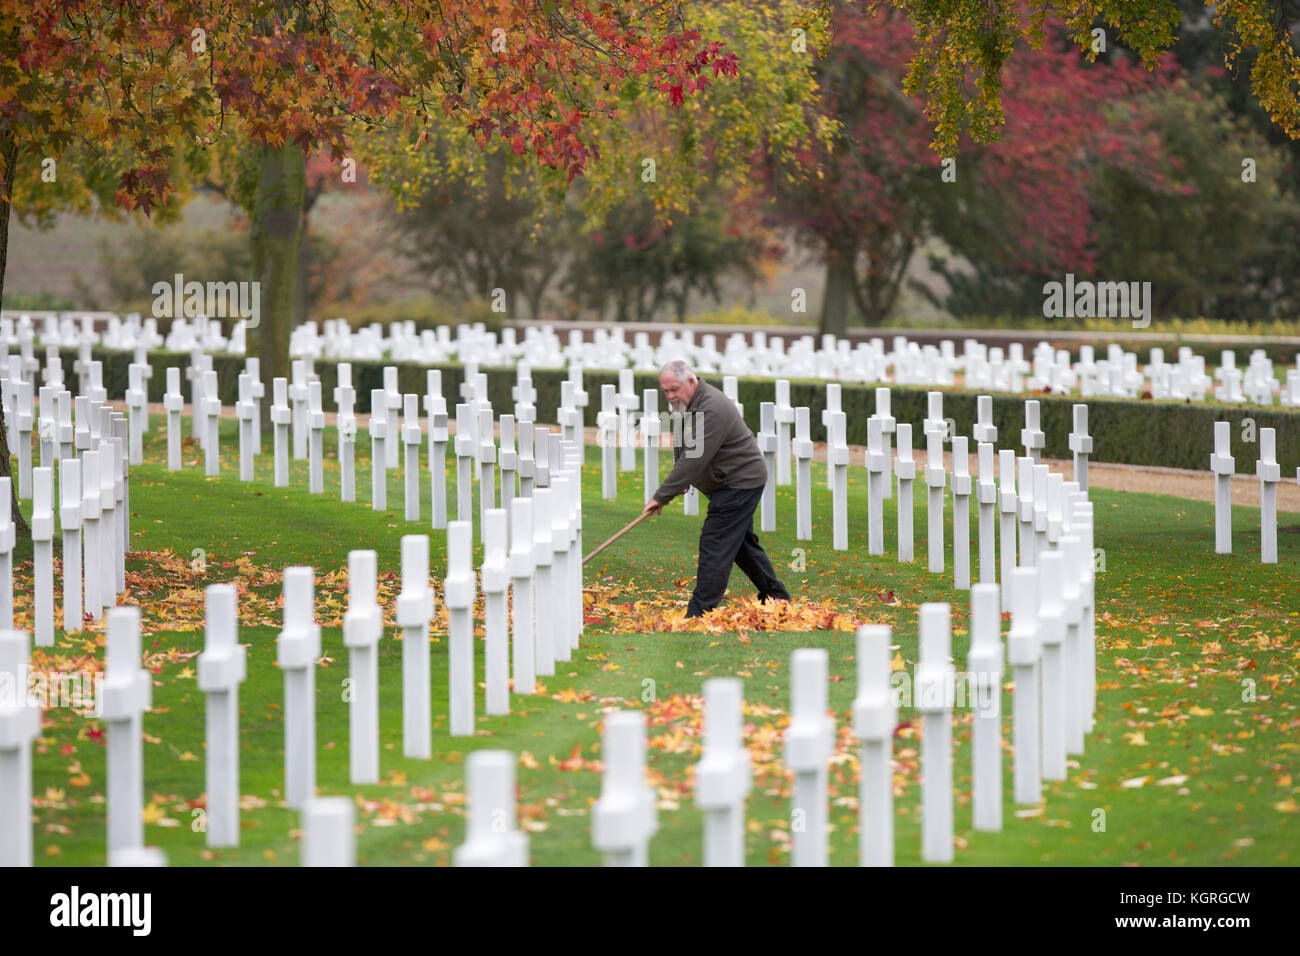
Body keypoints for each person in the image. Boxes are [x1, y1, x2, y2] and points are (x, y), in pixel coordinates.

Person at [641, 360, 791, 618]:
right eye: (665, 391)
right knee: (742, 546)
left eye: (674, 389)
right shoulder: (686, 405)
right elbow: (683, 446)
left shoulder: (711, 408)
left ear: (691, 381)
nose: (670, 396)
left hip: (739, 482)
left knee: (715, 543)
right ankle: (777, 597)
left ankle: (699, 613)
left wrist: (661, 496)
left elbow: (695, 458)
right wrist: (682, 479)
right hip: (728, 482)